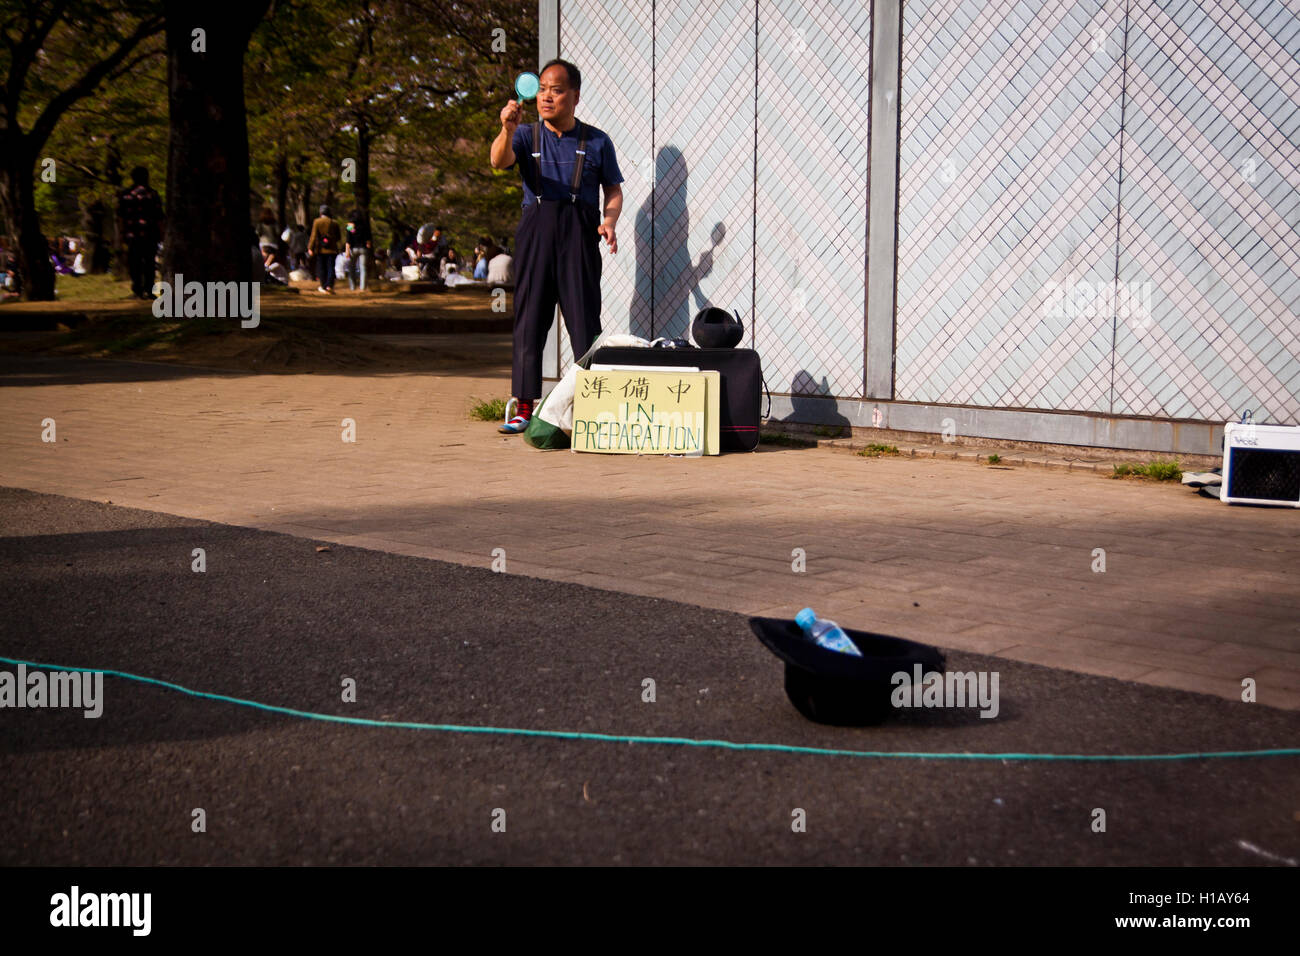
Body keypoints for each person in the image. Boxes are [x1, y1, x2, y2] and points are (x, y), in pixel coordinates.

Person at [489, 58, 623, 434]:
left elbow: (612, 189)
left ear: (575, 96)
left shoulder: (596, 140)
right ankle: (524, 406)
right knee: (530, 321)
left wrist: (609, 222)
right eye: (543, 89)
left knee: (584, 322)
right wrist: (505, 129)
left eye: (557, 90)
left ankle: (590, 406)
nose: (547, 97)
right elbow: (498, 161)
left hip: (580, 234)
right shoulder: (524, 134)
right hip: (536, 231)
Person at [115, 167, 164, 299]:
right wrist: (162, 233)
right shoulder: (153, 194)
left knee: (134, 262)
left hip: (133, 234)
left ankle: (137, 289)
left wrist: (121, 233)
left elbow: (121, 216)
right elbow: (159, 216)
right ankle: (148, 289)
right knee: (149, 262)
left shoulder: (126, 194)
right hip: (150, 234)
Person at [307, 204, 341, 294]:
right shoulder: (334, 223)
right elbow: (338, 237)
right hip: (332, 249)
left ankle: (323, 285)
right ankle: (330, 285)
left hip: (320, 249)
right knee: (331, 267)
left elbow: (313, 236)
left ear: (320, 212)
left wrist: (310, 247)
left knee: (321, 268)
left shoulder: (317, 221)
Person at [345, 217, 372, 291]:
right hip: (363, 249)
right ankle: (362, 287)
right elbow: (368, 241)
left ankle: (352, 287)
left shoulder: (350, 227)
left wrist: (347, 251)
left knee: (351, 268)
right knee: (363, 268)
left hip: (353, 249)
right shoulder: (364, 227)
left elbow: (348, 241)